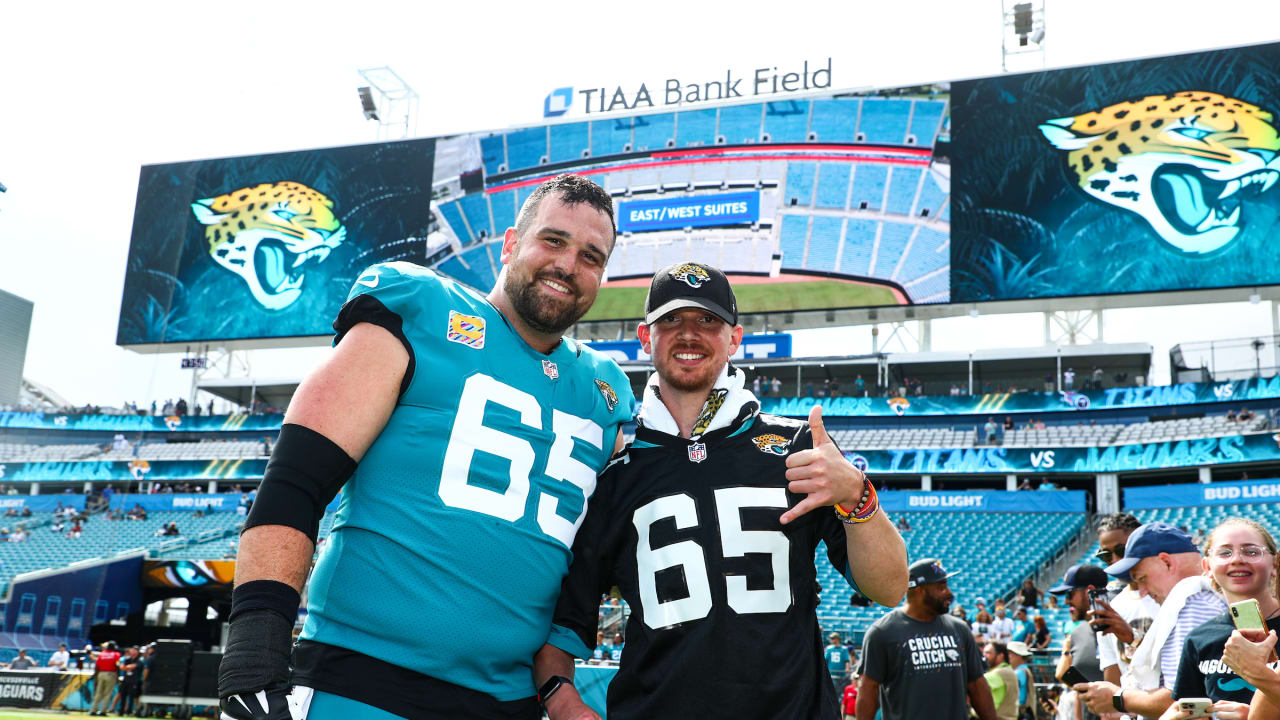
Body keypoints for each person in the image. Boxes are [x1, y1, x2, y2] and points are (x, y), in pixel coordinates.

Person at [217, 174, 635, 720]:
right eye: (552, 241)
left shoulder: (606, 391)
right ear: (510, 244)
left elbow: (608, 544)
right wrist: (255, 644)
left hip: (506, 702)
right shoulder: (421, 308)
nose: (568, 265)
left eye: (591, 256)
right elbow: (297, 482)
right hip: (362, 684)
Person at [534, 262, 908, 720]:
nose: (688, 334)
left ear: (734, 338)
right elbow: (562, 632)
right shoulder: (616, 477)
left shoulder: (798, 449)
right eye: (670, 320)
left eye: (707, 321)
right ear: (645, 336)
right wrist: (561, 697)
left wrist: (857, 493)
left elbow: (890, 587)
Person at [1075, 523, 1226, 719]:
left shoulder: (1192, 604)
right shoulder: (1204, 596)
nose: (1143, 590)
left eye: (1143, 578)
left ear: (1166, 562)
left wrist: (1118, 697)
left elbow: (1183, 703)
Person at [1166, 518, 1280, 719]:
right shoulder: (1199, 638)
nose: (1237, 559)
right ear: (1207, 567)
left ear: (1275, 564)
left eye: (1251, 552)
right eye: (1225, 553)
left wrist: (1256, 715)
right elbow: (1189, 707)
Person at [855, 558, 995, 720]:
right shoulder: (883, 632)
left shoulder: (960, 630)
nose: (949, 593)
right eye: (941, 587)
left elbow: (977, 685)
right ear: (920, 590)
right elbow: (868, 689)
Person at [1084, 513, 1160, 687]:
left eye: (1121, 551)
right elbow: (1113, 670)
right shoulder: (1111, 607)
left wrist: (1131, 638)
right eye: (1106, 555)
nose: (1115, 560)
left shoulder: (1166, 597)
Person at [1049, 564, 1108, 720]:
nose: (1067, 602)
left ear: (1089, 591)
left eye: (1070, 594)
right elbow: (1065, 678)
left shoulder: (1119, 627)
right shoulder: (1077, 633)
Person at [983, 641, 1019, 720]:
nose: (984, 656)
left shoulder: (998, 673)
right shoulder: (1009, 670)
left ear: (1000, 656)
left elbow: (974, 684)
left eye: (988, 653)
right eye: (984, 653)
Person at [90, 641, 121, 716]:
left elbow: (97, 666)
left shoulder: (102, 654)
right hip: (111, 674)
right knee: (107, 693)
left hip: (100, 673)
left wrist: (96, 676)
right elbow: (117, 666)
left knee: (98, 692)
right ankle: (103, 711)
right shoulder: (116, 655)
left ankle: (93, 710)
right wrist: (117, 676)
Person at [1008, 641, 1035, 720]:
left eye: (1010, 653)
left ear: (1018, 655)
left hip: (1020, 713)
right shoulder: (1024, 670)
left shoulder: (1019, 672)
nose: (1008, 656)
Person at [825, 632, 853, 698]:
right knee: (832, 691)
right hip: (831, 674)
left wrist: (847, 668)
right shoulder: (829, 649)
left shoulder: (844, 649)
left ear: (837, 639)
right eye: (831, 638)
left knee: (840, 692)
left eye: (833, 638)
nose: (832, 640)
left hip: (841, 675)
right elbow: (825, 660)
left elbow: (846, 660)